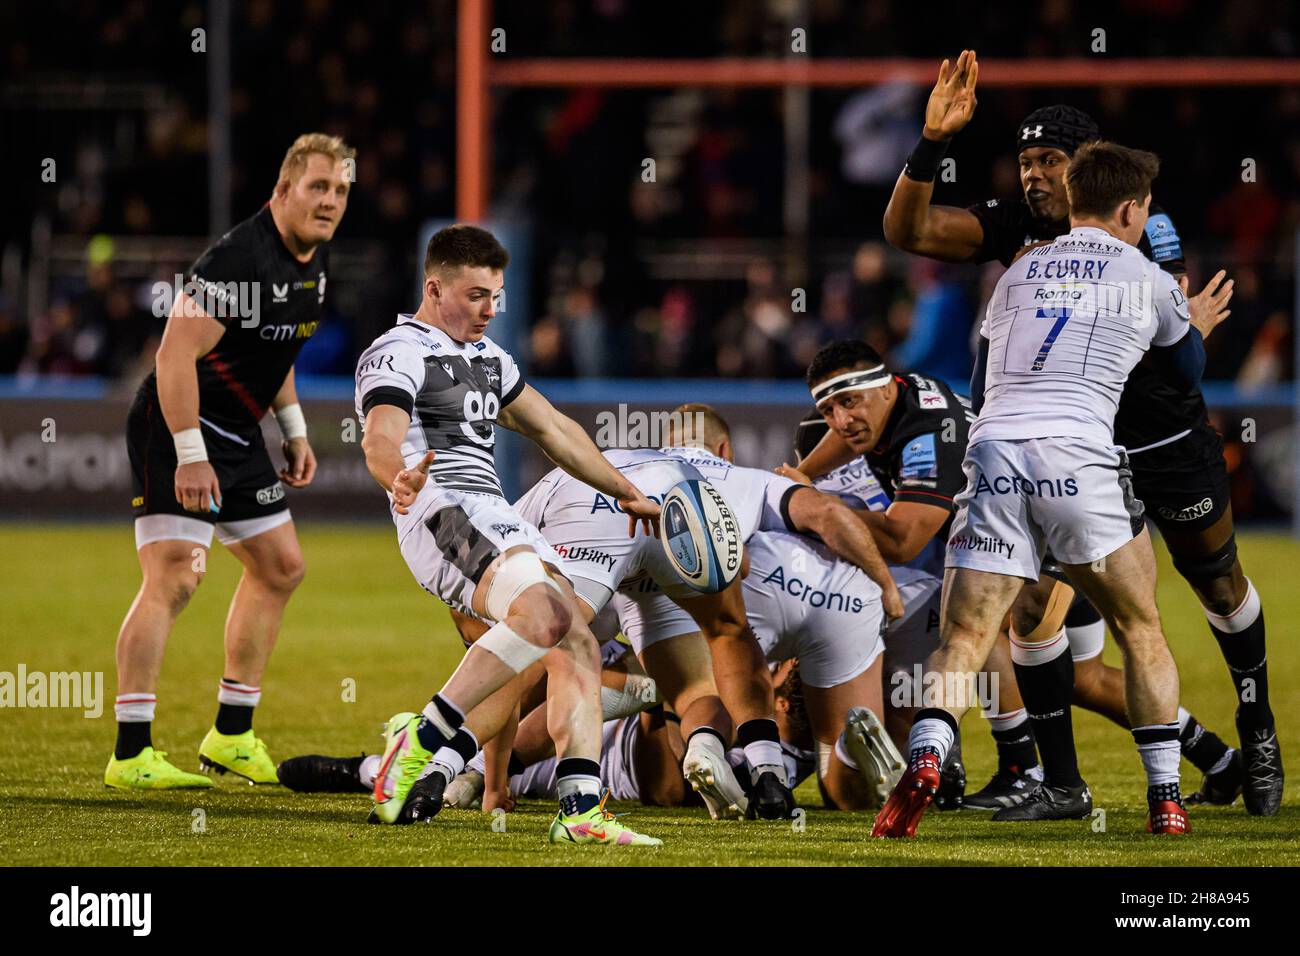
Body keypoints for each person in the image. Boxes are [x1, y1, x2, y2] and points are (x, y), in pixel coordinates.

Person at [879, 50, 1271, 814]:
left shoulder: (1141, 227)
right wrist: (932, 143)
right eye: (1024, 160)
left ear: (1089, 170)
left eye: (1049, 161)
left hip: (1156, 442)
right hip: (1082, 452)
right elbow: (909, 229)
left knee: (1215, 585)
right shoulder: (1016, 230)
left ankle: (1250, 731)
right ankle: (1069, 782)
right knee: (1046, 620)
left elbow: (1172, 364)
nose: (1032, 175)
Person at [354, 224, 661, 846]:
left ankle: (580, 810)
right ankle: (421, 739)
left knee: (573, 634)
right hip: (441, 512)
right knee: (546, 617)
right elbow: (380, 434)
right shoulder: (398, 350)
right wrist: (398, 479)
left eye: (496, 295)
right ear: (433, 287)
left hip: (494, 512)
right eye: (474, 296)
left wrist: (621, 487)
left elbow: (553, 428)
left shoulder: (491, 359)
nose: (490, 309)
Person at [106, 134, 353, 790]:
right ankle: (132, 754)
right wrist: (189, 456)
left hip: (237, 433)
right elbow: (171, 357)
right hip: (174, 423)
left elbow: (275, 356)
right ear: (282, 191)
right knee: (176, 579)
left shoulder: (311, 264)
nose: (330, 200)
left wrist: (294, 431)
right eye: (318, 187)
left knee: (281, 568)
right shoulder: (238, 261)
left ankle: (232, 737)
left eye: (341, 190)